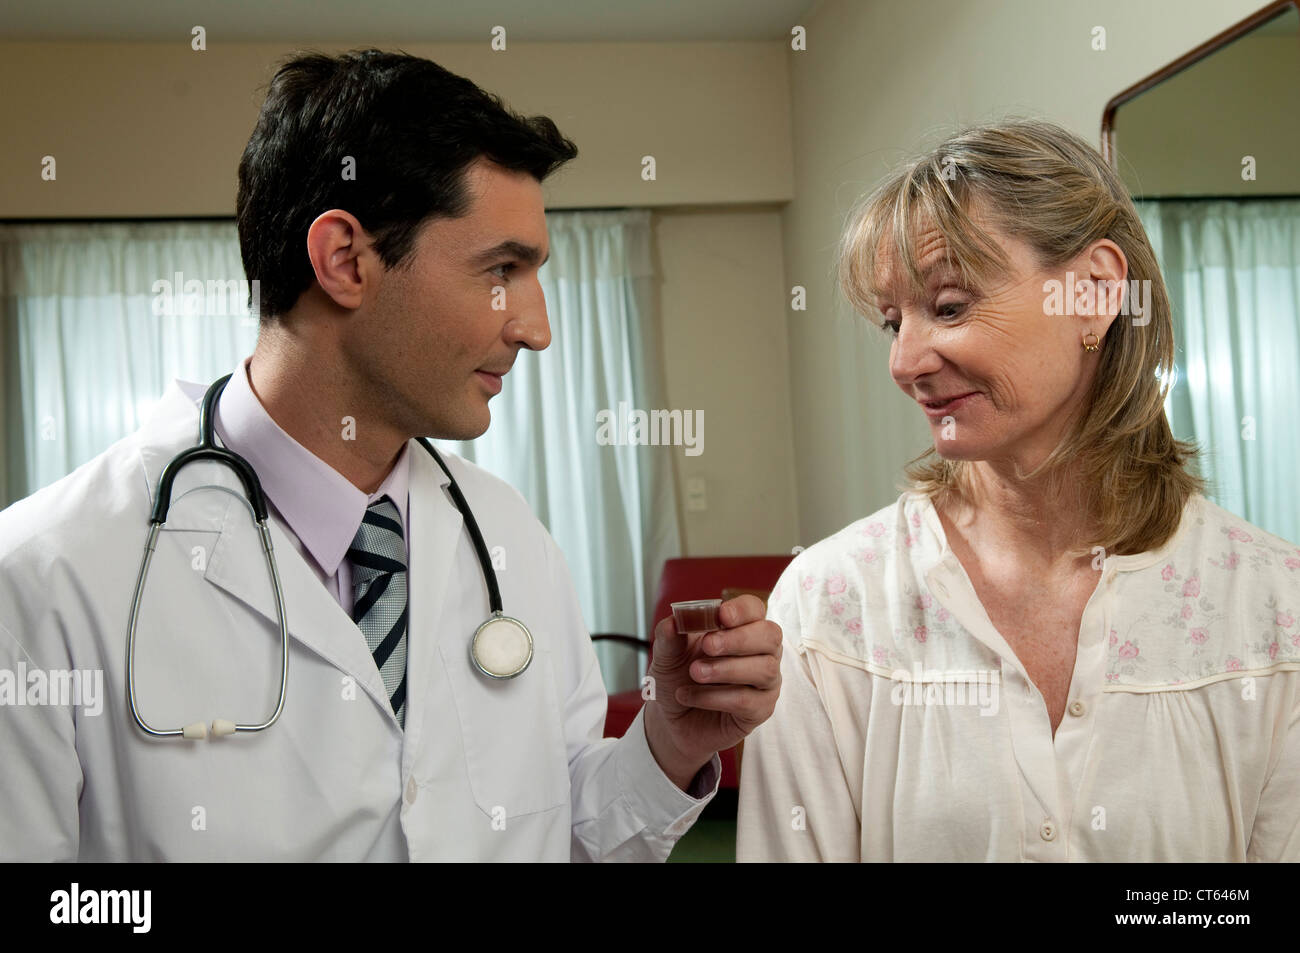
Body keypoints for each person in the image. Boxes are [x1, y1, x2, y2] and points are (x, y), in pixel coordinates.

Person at [0, 49, 782, 862]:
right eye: (501, 270)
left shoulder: (506, 536)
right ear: (346, 260)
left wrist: (669, 742)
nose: (535, 327)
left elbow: (565, 830)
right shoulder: (40, 578)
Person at [737, 119, 1300, 862]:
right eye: (890, 322)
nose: (905, 361)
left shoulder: (1274, 609)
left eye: (948, 306)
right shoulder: (831, 605)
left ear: (1095, 294)